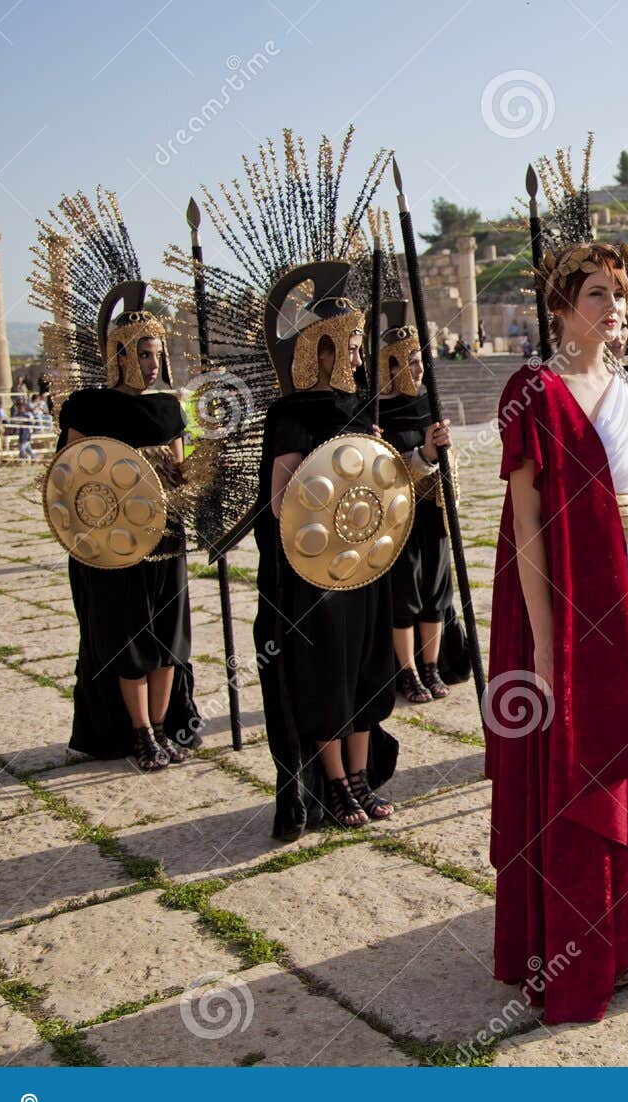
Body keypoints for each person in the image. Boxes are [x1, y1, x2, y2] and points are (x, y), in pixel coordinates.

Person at [489, 232, 628, 1023]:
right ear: (561, 306)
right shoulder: (532, 391)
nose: (615, 306)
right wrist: (543, 641)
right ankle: (589, 938)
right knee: (587, 764)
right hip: (578, 594)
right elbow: (526, 529)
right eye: (597, 294)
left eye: (620, 293)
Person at [40, 250, 202, 770]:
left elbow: (179, 471)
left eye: (158, 354)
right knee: (127, 634)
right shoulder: (88, 407)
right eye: (145, 354)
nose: (154, 363)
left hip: (167, 535)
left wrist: (203, 469)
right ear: (121, 355)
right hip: (112, 538)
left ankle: (163, 726)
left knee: (169, 635)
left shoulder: (168, 407)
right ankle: (140, 733)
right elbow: (68, 474)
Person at [253, 262, 400, 839]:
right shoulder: (290, 414)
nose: (360, 358)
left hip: (365, 562)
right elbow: (280, 501)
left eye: (361, 346)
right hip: (315, 573)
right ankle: (333, 782)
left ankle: (359, 777)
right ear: (323, 348)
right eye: (353, 345)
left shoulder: (363, 407)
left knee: (365, 667)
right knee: (326, 674)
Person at [373, 306, 457, 704]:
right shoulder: (376, 413)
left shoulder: (430, 402)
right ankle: (407, 672)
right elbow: (382, 472)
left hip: (432, 512)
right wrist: (424, 455)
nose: (419, 368)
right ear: (390, 365)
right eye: (409, 361)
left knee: (436, 593)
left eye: (420, 360)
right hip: (397, 517)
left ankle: (431, 666)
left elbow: (446, 461)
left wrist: (445, 452)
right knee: (404, 596)